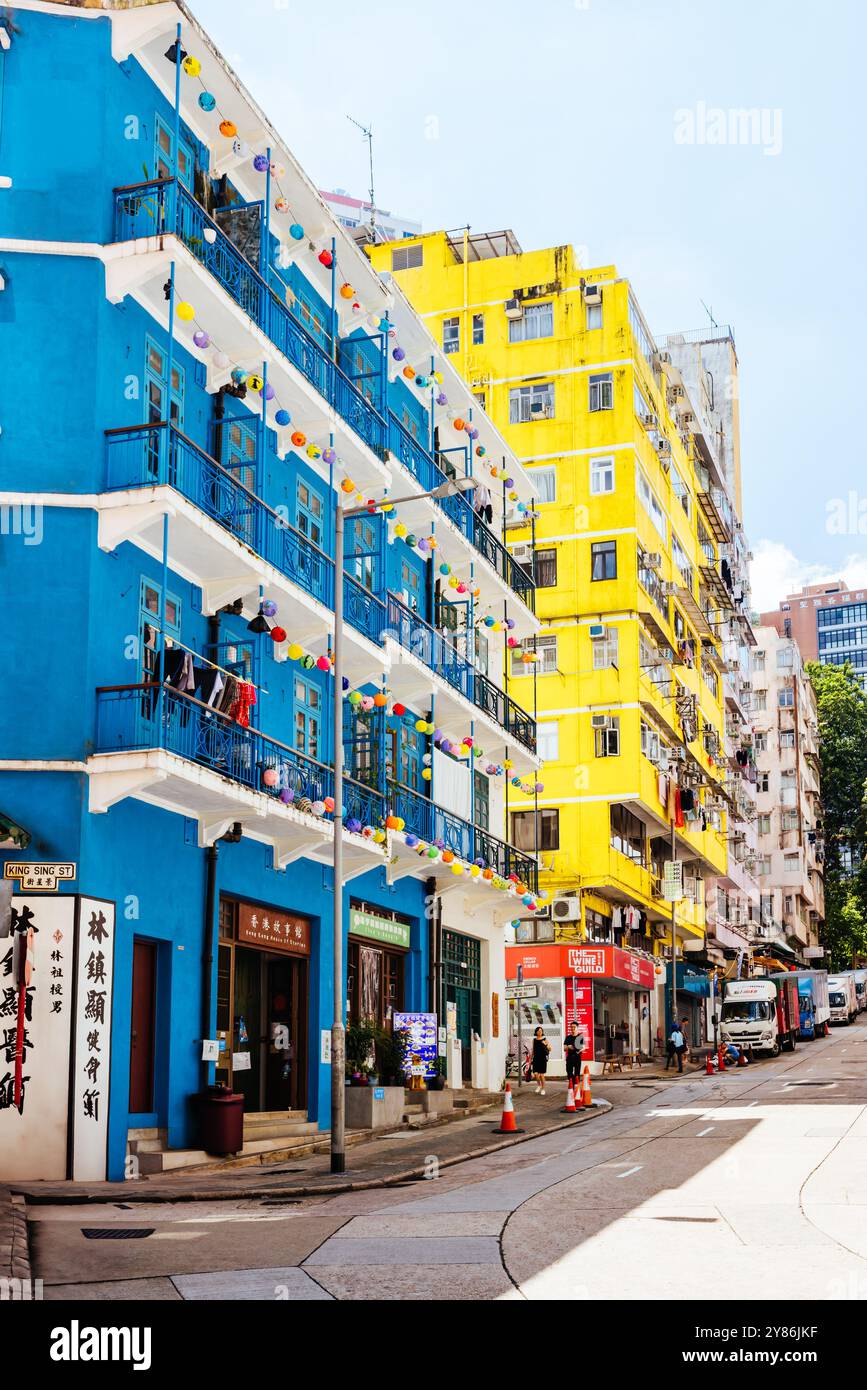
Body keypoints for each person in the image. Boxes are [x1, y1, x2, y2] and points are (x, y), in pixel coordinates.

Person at [564, 1019, 585, 1091]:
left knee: (577, 1073)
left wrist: (579, 1050)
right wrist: (568, 1047)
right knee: (569, 1072)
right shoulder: (568, 1037)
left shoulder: (580, 1037)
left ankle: (576, 1088)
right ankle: (572, 1083)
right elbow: (564, 1048)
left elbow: (583, 1047)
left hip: (577, 1057)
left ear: (577, 1028)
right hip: (569, 1057)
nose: (572, 1028)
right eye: (571, 1027)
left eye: (574, 1027)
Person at [531, 1026, 551, 1096]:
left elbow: (550, 1049)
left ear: (542, 1032)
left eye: (541, 1031)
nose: (539, 1032)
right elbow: (533, 1050)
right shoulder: (534, 1040)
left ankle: (543, 1089)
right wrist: (530, 1059)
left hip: (542, 1059)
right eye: (538, 1031)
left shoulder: (545, 1039)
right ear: (536, 1032)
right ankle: (539, 1085)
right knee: (536, 1074)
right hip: (536, 1058)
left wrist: (545, 1044)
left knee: (542, 1075)